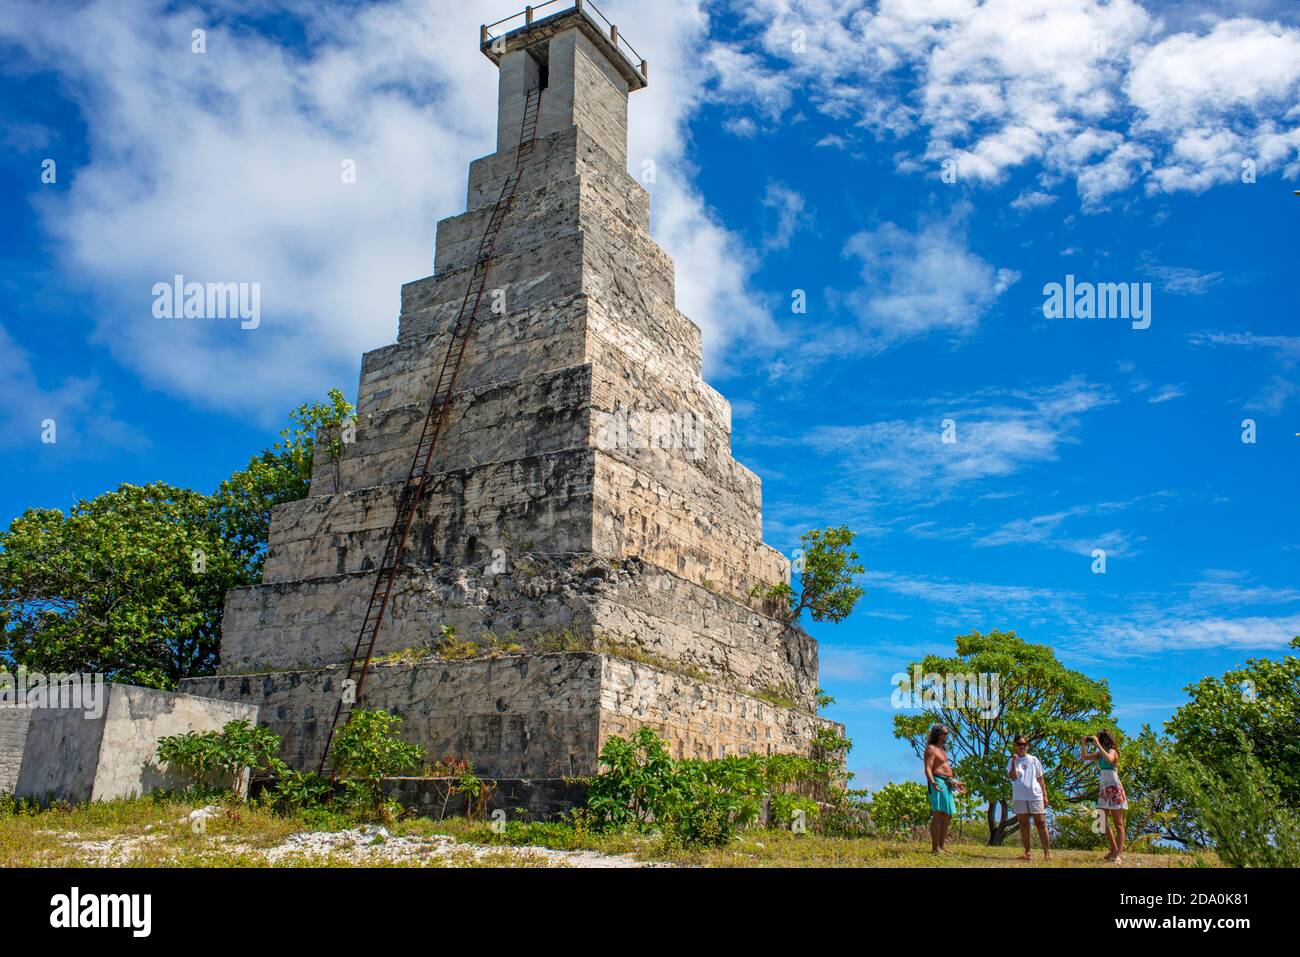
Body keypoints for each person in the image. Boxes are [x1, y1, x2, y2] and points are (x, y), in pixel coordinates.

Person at [1081, 729, 1128, 864]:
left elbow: (1110, 759)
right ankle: (1113, 849)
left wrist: (1098, 745)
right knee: (1100, 818)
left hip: (1113, 787)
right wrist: (1083, 744)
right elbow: (1084, 757)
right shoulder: (1099, 754)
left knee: (1118, 823)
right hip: (1104, 788)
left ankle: (1118, 854)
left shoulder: (1112, 751)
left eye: (1100, 739)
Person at [923, 724, 967, 853]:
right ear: (937, 734)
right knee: (938, 814)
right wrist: (932, 781)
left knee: (947, 815)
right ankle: (935, 848)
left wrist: (955, 782)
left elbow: (944, 768)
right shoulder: (931, 749)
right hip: (937, 782)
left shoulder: (942, 749)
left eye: (947, 733)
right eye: (944, 733)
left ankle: (942, 846)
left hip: (947, 783)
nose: (947, 736)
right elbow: (928, 768)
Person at [1007, 735, 1051, 861]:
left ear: (1027, 746)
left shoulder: (1033, 759)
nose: (1022, 746)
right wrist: (1014, 761)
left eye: (1024, 744)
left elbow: (1040, 778)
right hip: (1019, 797)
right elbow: (1013, 777)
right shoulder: (1012, 761)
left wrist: (1045, 795)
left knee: (1041, 823)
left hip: (1035, 795)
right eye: (1019, 744)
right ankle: (1027, 853)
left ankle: (1046, 853)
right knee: (1024, 824)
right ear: (1015, 745)